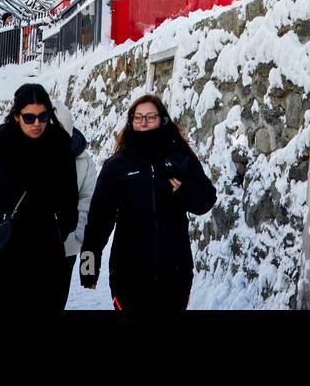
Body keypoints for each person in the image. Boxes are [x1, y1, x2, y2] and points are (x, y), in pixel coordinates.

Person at [80, 94, 216, 310]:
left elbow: (206, 200)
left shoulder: (180, 159)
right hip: (128, 277)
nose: (143, 122)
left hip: (175, 274)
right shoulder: (116, 166)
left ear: (162, 120)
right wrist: (88, 268)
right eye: (138, 117)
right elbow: (98, 221)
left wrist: (184, 190)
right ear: (131, 122)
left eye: (150, 117)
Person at [0, 83, 78, 310]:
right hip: (5, 260)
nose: (37, 123)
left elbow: (69, 200)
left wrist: (58, 226)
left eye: (43, 116)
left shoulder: (60, 150)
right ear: (17, 116)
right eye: (29, 117)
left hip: (47, 259)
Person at [54, 102, 97, 273]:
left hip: (66, 247)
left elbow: (89, 199)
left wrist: (76, 235)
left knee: (55, 299)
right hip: (26, 247)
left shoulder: (83, 161)